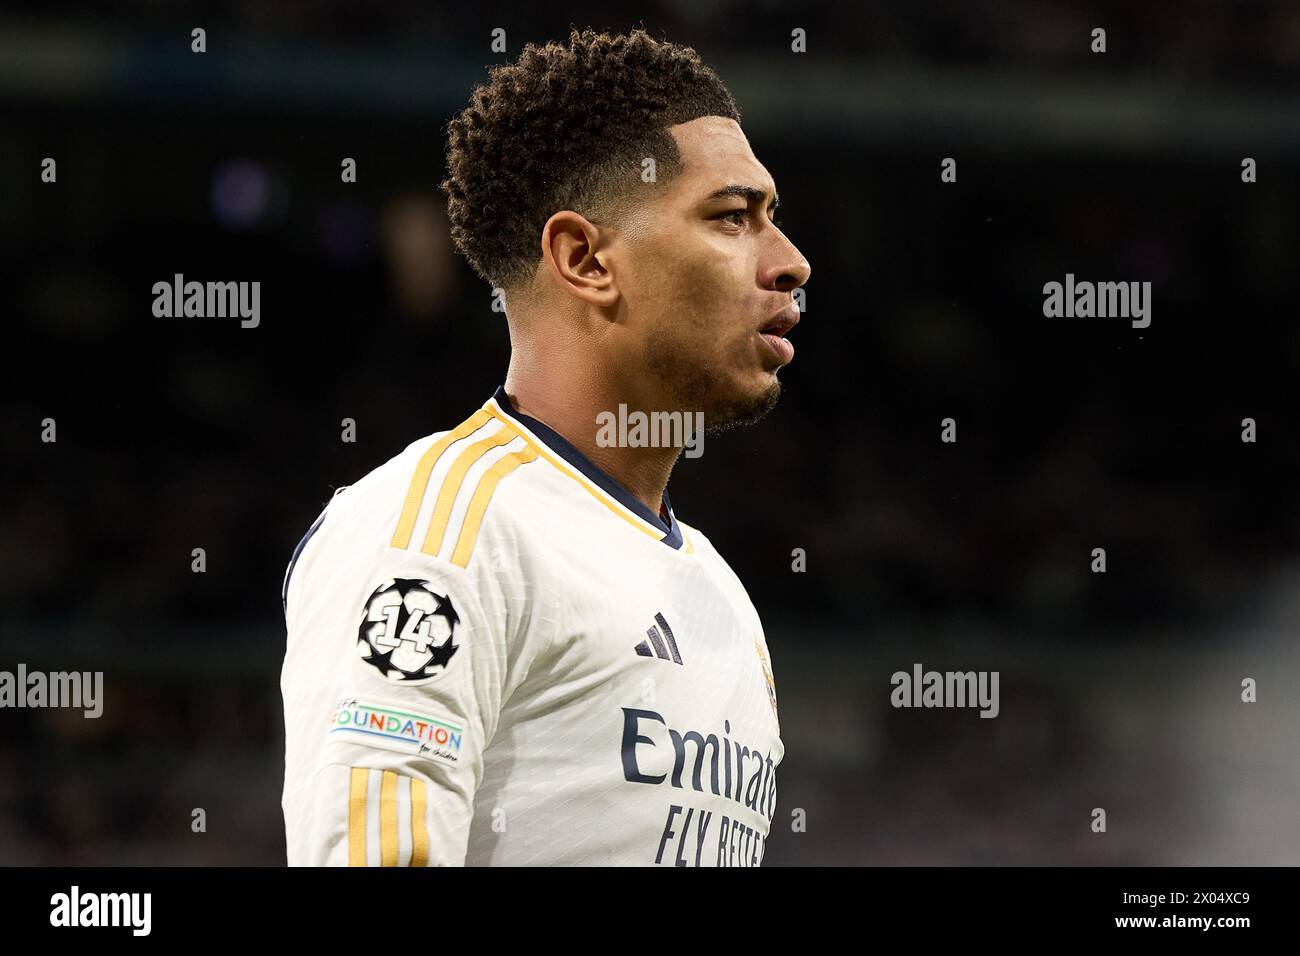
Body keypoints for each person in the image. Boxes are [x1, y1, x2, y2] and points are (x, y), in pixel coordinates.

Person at [281, 27, 810, 866]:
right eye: (731, 218)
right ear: (584, 258)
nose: (790, 263)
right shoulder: (443, 530)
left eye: (772, 219)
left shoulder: (722, 594)